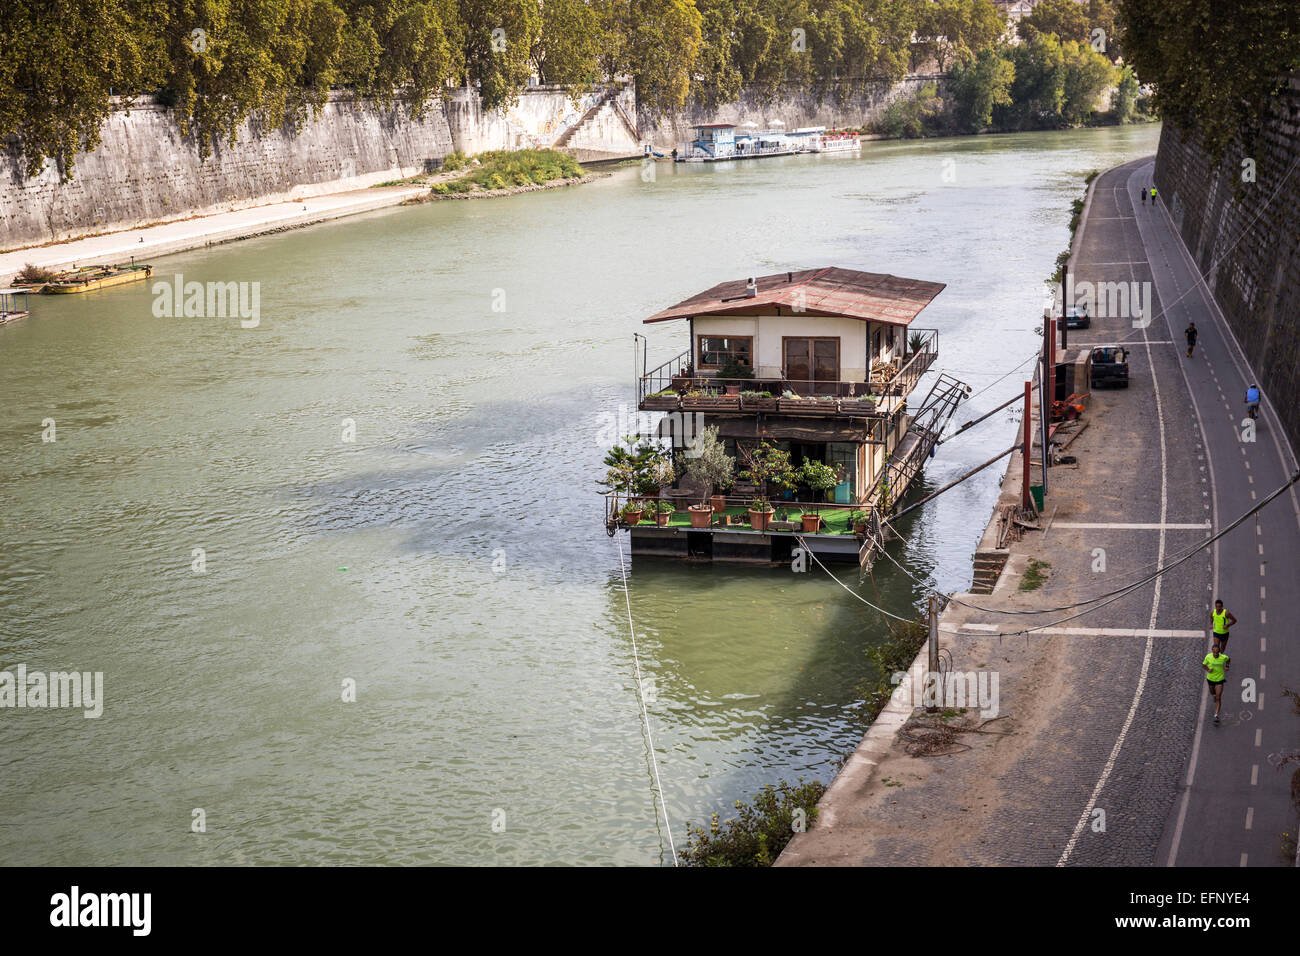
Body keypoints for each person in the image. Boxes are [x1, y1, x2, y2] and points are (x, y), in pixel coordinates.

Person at [1202, 638, 1229, 723]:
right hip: (1210, 679)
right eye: (1214, 652)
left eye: (1217, 652)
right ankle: (1213, 695)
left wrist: (1227, 666)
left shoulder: (1223, 657)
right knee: (1212, 692)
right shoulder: (1208, 657)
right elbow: (1203, 665)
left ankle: (1216, 715)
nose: (1216, 654)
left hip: (1220, 680)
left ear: (1219, 651)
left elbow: (1228, 659)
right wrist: (1207, 669)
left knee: (1218, 697)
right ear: (1212, 651)